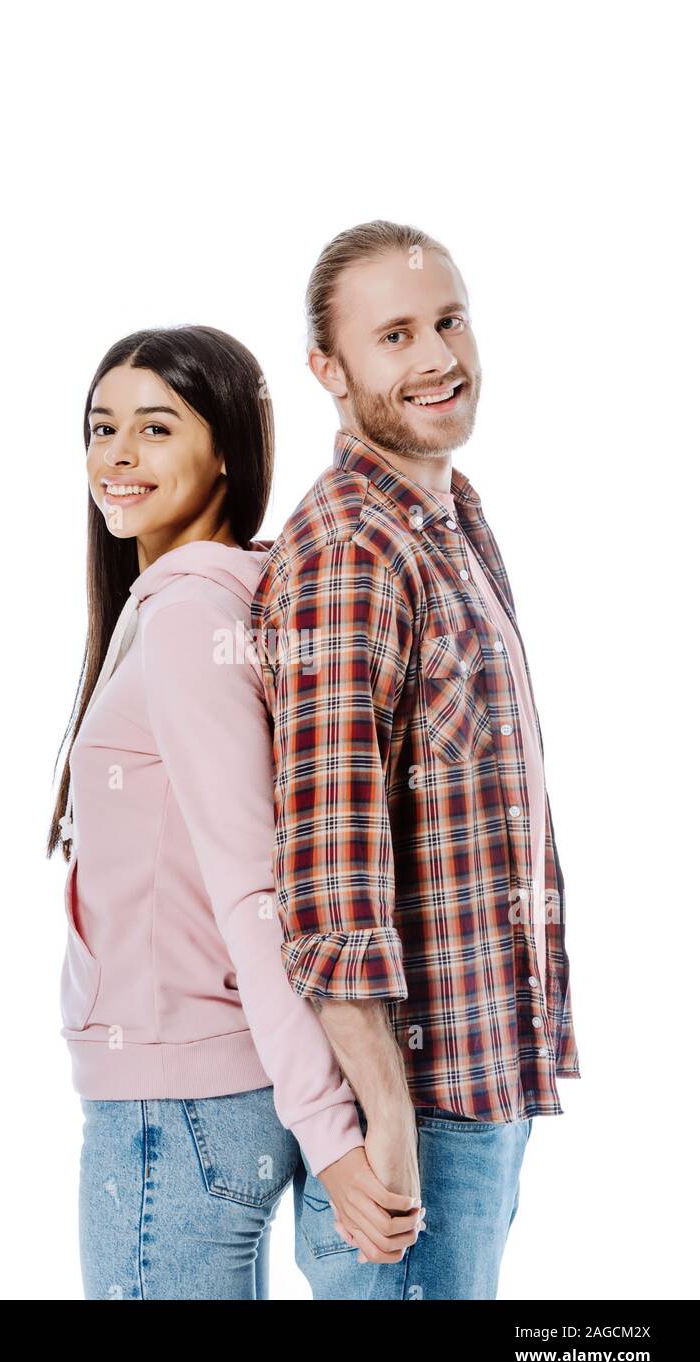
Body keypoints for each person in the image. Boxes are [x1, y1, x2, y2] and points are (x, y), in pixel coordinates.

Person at [47, 324, 423, 1300]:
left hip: (180, 1103)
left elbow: (253, 885)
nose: (117, 456)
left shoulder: (186, 621)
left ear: (226, 451)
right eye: (101, 428)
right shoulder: (214, 604)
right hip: (222, 1087)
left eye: (155, 428)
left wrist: (330, 1132)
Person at [250, 220, 582, 1299]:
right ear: (329, 371)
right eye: (396, 335)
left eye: (449, 319)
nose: (439, 355)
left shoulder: (449, 517)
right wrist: (387, 1116)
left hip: (481, 1076)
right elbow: (330, 878)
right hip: (421, 1101)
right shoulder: (355, 547)